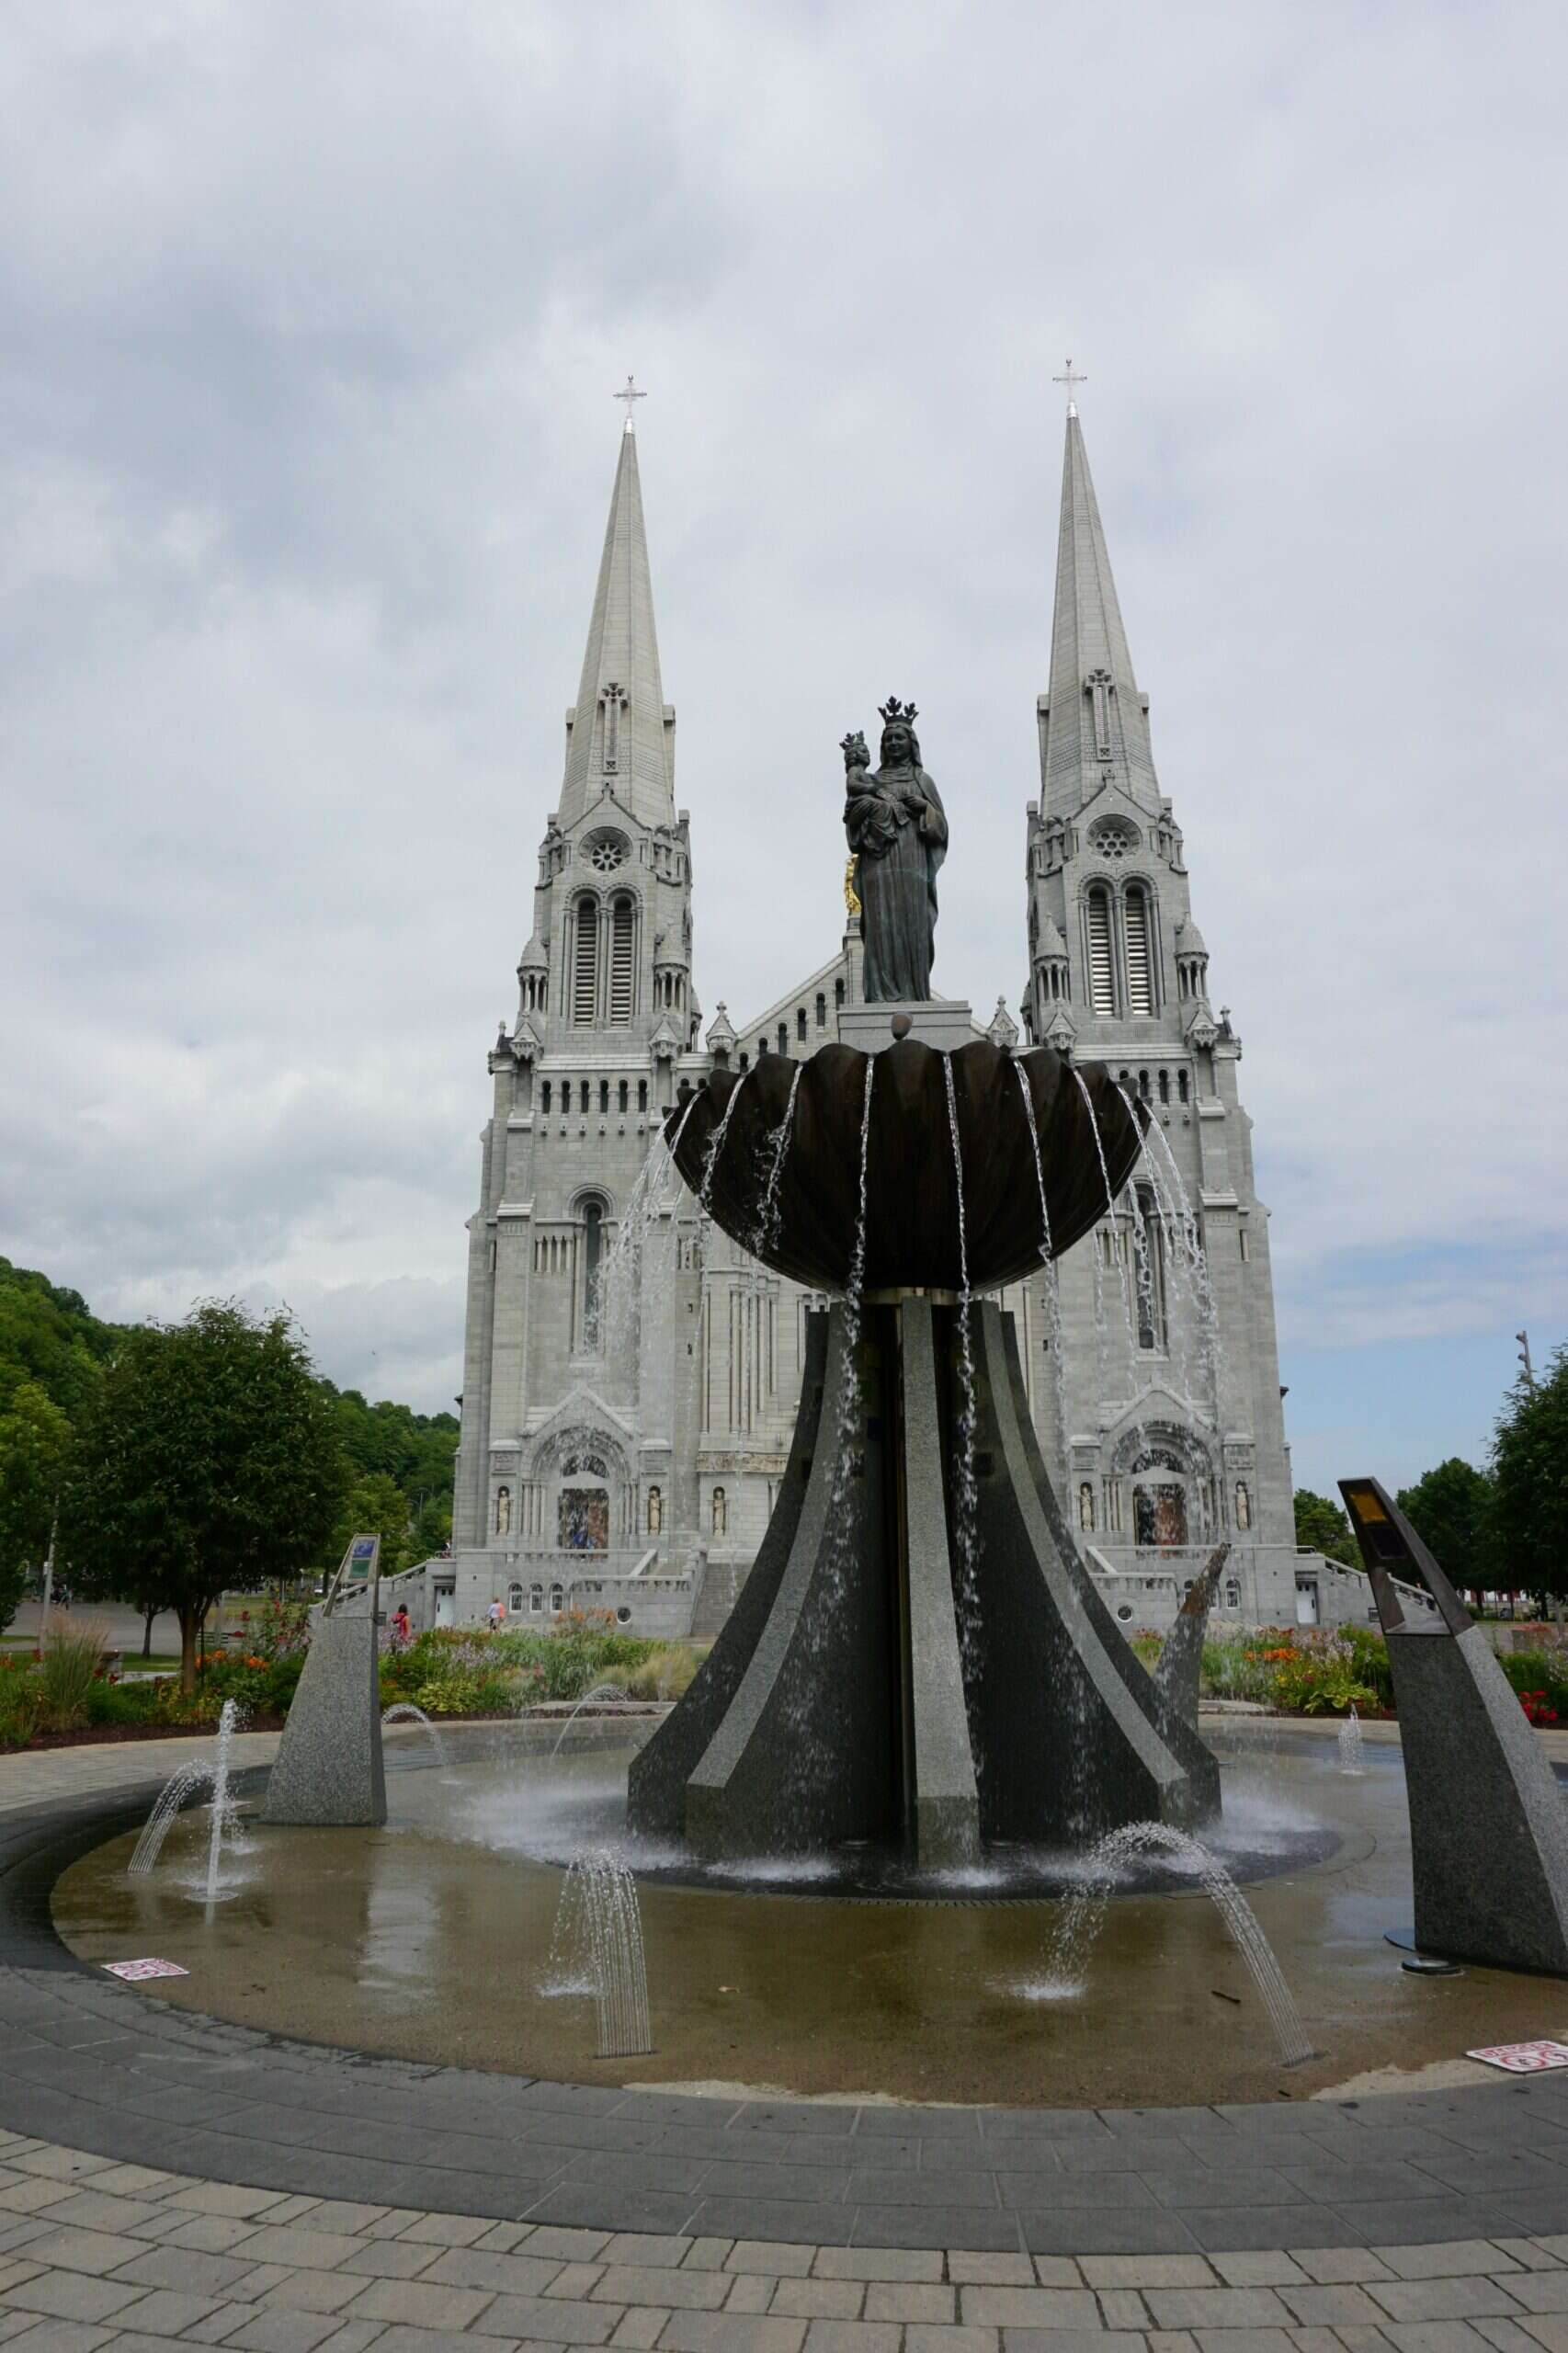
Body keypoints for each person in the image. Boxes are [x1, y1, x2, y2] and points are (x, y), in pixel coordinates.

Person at [842, 698, 948, 1001]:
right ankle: (881, 994)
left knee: (913, 926)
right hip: (879, 863)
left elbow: (941, 829)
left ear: (911, 743)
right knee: (880, 928)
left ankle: (914, 993)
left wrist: (925, 807)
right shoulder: (872, 779)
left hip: (913, 862)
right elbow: (852, 827)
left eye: (899, 737)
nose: (893, 743)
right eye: (888, 739)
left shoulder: (922, 780)